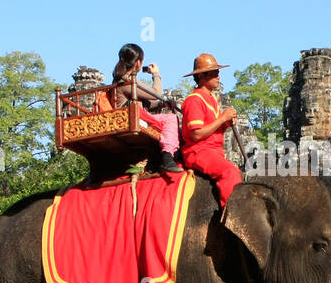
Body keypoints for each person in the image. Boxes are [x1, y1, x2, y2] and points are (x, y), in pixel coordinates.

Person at [104, 43, 183, 174]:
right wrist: (156, 74)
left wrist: (163, 104)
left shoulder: (119, 80)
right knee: (171, 118)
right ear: (138, 63)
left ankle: (171, 154)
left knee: (177, 130)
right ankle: (167, 156)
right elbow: (156, 92)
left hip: (135, 113)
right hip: (132, 117)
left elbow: (146, 103)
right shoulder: (128, 81)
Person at [181, 53, 243, 209]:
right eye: (214, 73)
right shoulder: (194, 100)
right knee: (230, 172)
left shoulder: (211, 99)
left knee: (238, 172)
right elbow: (196, 134)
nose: (218, 77)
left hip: (214, 151)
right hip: (198, 151)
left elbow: (212, 128)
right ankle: (231, 217)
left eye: (218, 72)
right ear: (202, 75)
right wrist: (222, 119)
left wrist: (225, 123)